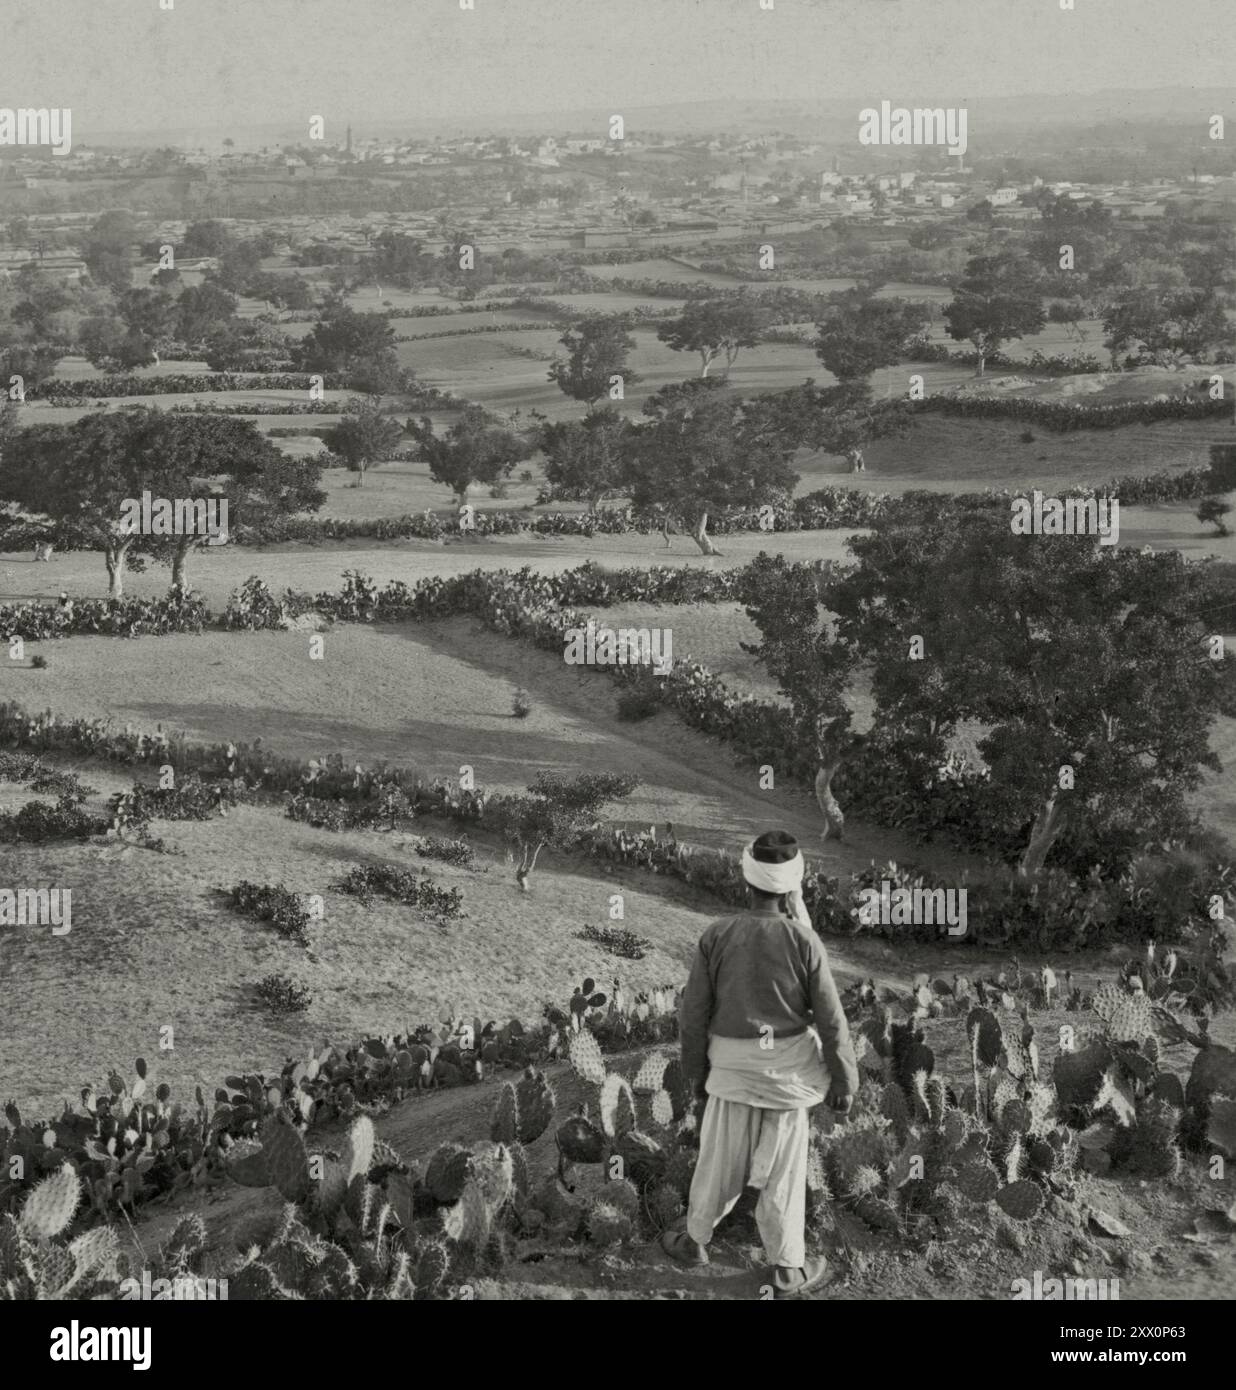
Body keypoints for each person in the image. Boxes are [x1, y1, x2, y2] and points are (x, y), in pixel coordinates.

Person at [662, 829, 860, 1297]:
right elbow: (832, 1020)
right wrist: (844, 1080)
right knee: (785, 1172)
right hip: (789, 1075)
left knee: (718, 1161)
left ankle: (695, 1242)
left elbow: (692, 1017)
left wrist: (697, 1077)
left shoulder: (716, 935)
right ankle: (788, 1268)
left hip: (730, 1071)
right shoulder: (804, 941)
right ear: (792, 886)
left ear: (746, 880)